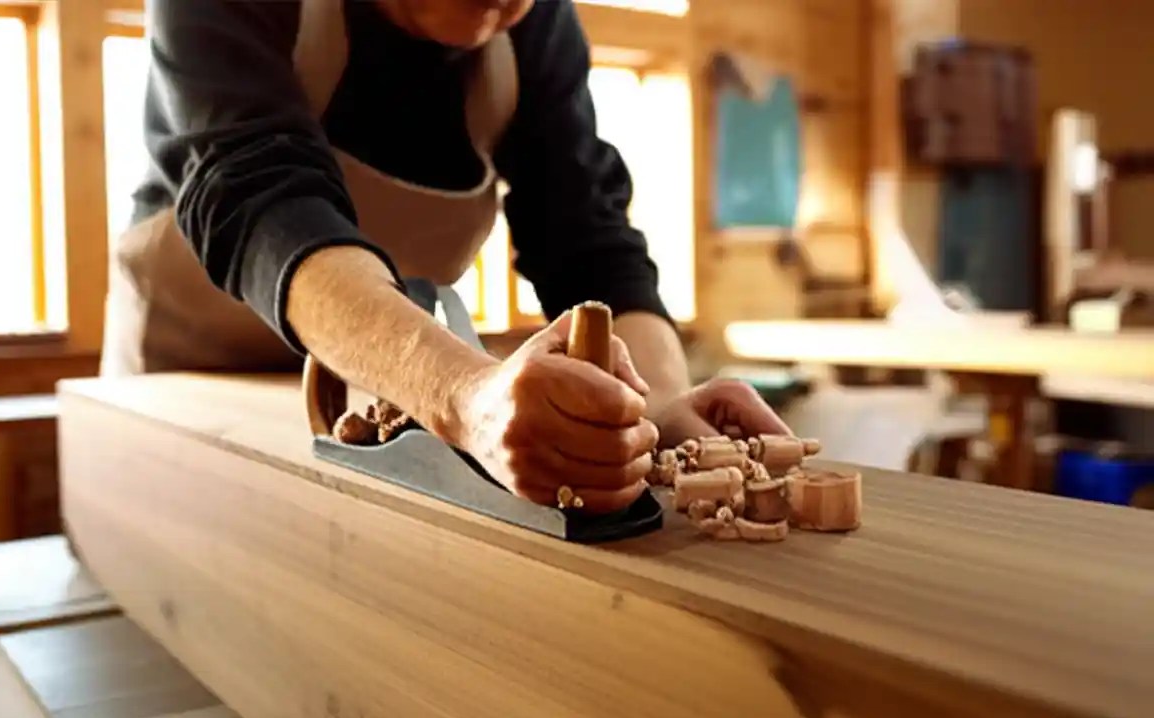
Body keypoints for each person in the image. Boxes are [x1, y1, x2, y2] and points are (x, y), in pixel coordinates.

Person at [103, 0, 790, 513]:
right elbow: (258, 196)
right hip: (185, 401)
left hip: (385, 402)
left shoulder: (535, 26)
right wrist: (466, 395)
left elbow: (585, 233)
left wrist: (654, 407)